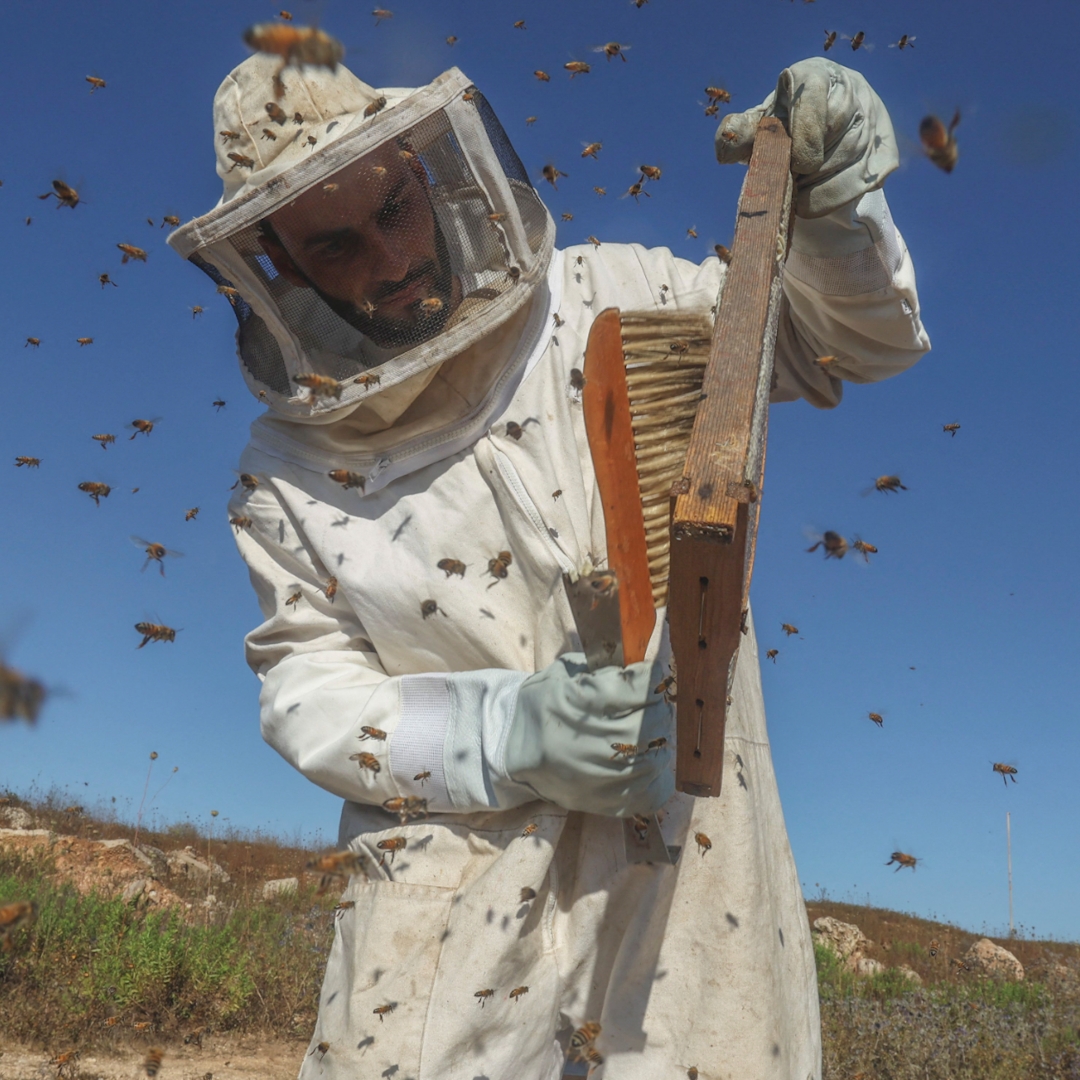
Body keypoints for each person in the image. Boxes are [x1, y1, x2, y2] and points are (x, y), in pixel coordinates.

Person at [170, 50, 928, 1080]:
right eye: (336, 246)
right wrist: (504, 732)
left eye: (394, 210)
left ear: (428, 171)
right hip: (454, 923)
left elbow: (846, 341)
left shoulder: (616, 292)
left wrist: (836, 209)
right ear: (281, 268)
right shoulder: (291, 472)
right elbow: (307, 688)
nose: (389, 263)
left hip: (692, 886)